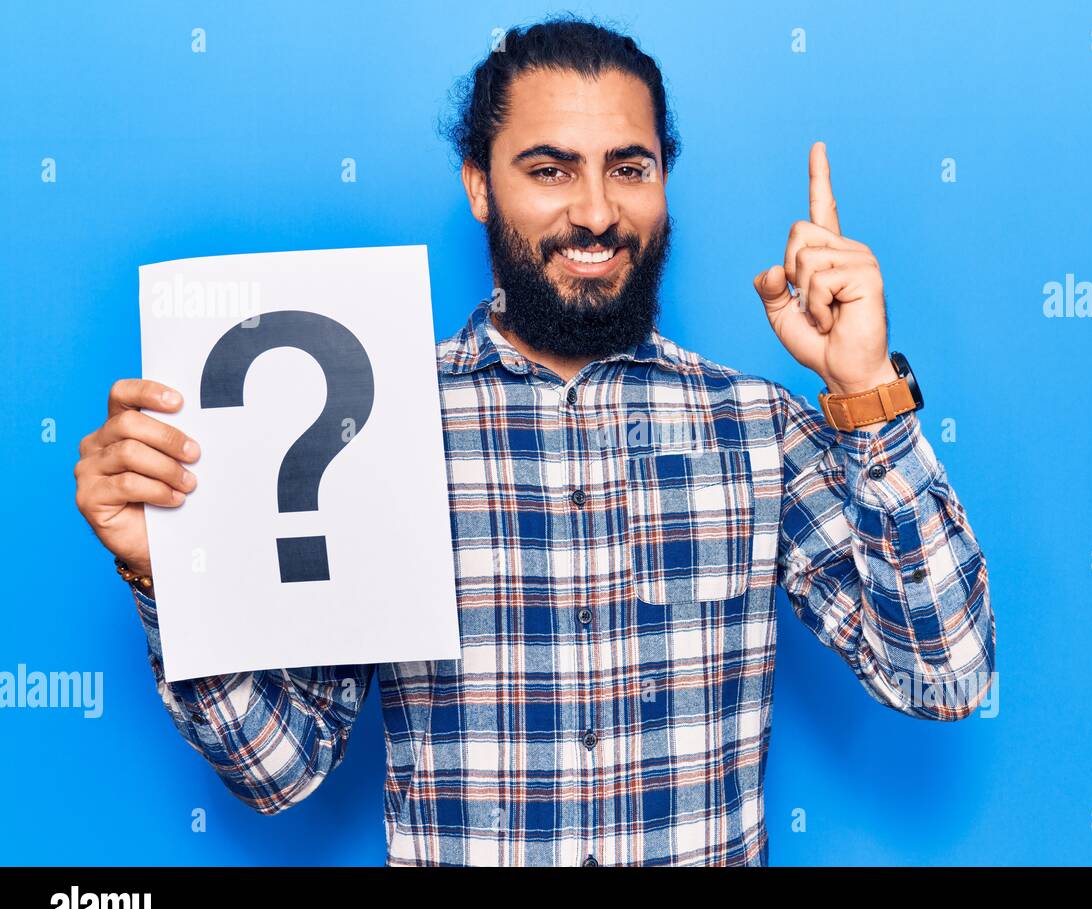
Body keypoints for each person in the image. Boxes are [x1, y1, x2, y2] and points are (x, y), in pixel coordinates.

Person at [73, 15, 996, 866]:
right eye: (549, 169)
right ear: (479, 184)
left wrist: (866, 390)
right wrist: (165, 578)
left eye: (629, 168)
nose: (595, 212)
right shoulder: (378, 424)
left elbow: (947, 676)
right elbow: (279, 769)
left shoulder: (756, 426)